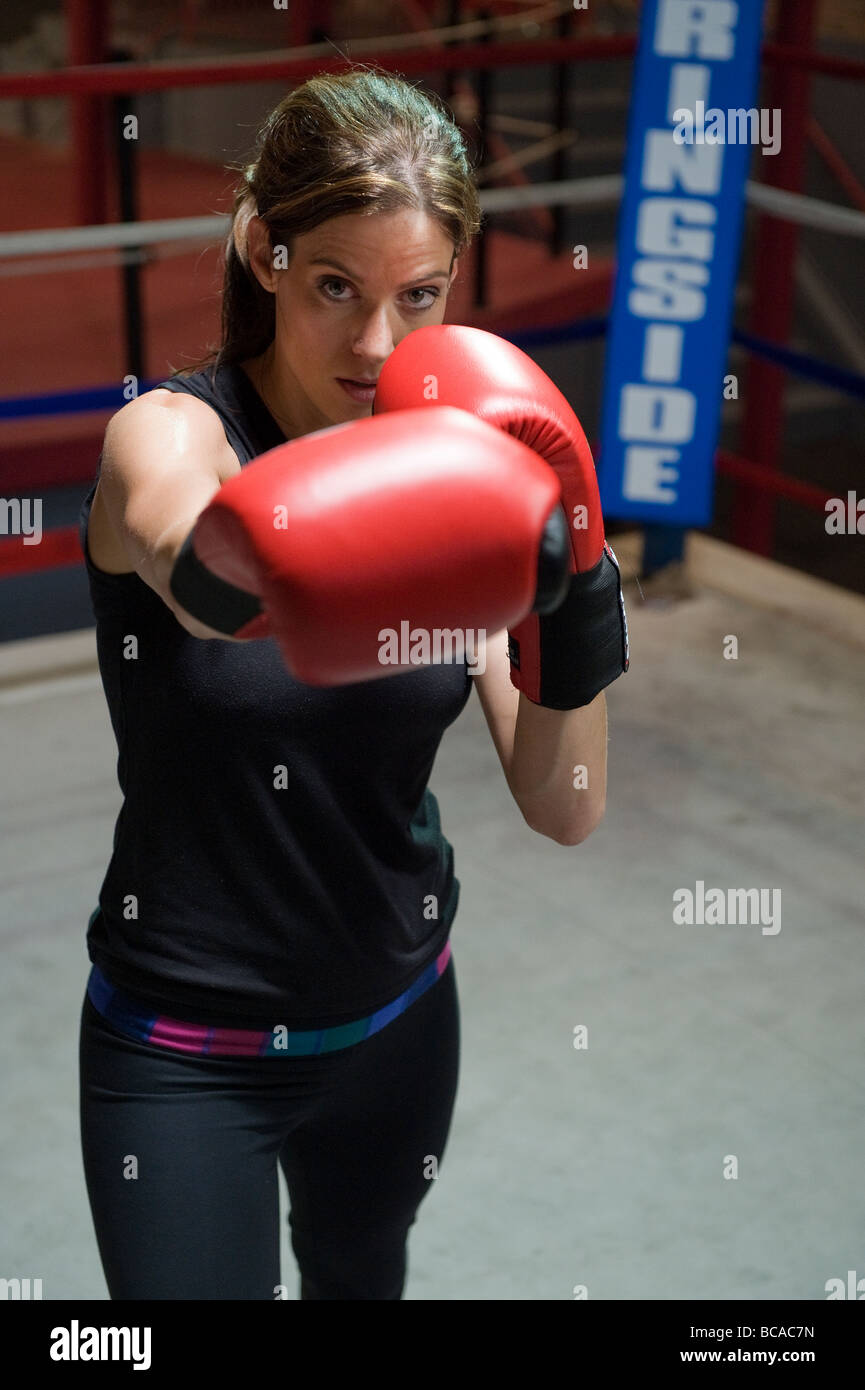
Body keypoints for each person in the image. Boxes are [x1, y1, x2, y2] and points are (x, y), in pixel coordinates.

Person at [78, 67, 624, 1301]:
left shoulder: (463, 469)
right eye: (336, 286)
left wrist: (575, 574)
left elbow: (566, 801)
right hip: (184, 1054)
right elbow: (193, 554)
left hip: (397, 1023)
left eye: (417, 297)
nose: (377, 346)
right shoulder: (171, 437)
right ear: (260, 249)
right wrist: (408, 533)